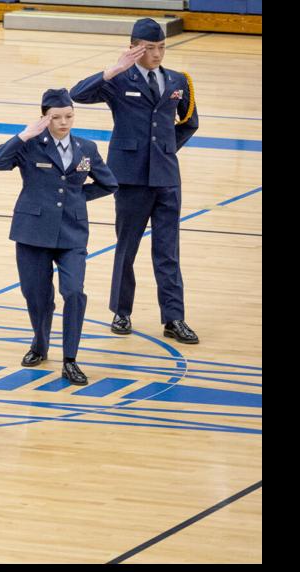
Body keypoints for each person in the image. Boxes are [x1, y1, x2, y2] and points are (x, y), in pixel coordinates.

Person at [70, 17, 200, 344]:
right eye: (150, 48)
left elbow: (189, 122)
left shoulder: (177, 80)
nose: (157, 54)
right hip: (130, 178)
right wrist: (113, 70)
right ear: (134, 48)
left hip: (167, 177)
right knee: (127, 247)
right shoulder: (118, 80)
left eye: (161, 48)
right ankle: (121, 312)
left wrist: (165, 149)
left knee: (168, 251)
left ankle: (174, 318)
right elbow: (77, 94)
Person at [0, 89, 117, 385]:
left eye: (68, 116)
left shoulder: (86, 147)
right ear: (44, 117)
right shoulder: (30, 145)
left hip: (72, 233)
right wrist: (22, 135)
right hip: (32, 233)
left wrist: (78, 198)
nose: (63, 122)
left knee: (74, 292)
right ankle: (39, 343)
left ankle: (70, 359)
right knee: (37, 297)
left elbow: (109, 183)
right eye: (56, 117)